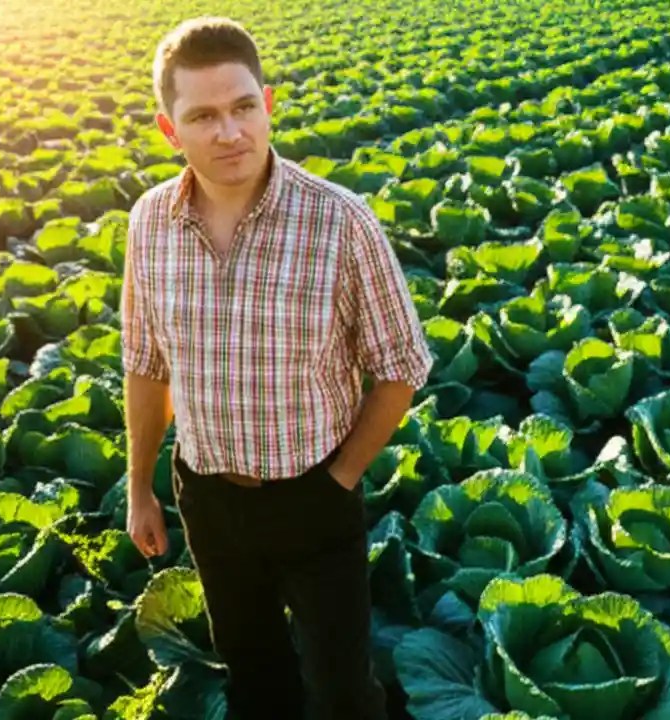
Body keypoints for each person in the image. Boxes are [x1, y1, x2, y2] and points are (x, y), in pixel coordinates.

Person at [120, 16, 433, 720]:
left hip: (313, 499)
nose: (228, 132)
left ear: (269, 103)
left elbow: (402, 365)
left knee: (343, 693)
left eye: (242, 107)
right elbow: (144, 363)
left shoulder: (341, 221)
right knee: (255, 676)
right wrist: (140, 486)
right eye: (202, 116)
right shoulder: (148, 223)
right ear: (170, 131)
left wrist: (340, 479)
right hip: (206, 496)